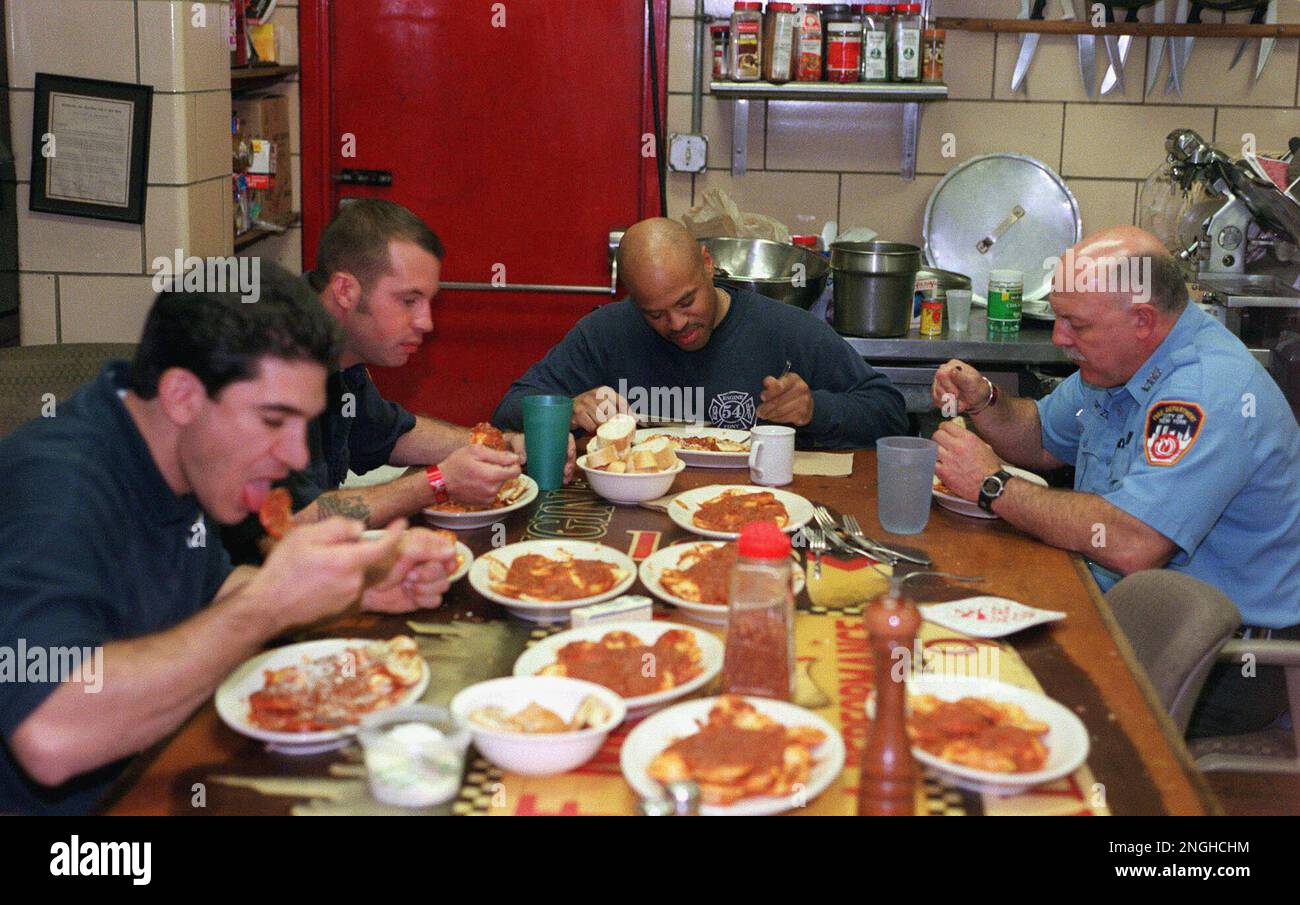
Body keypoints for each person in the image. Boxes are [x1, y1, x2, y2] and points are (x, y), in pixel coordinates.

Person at [0, 265, 458, 815]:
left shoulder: (179, 454)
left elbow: (215, 593)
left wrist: (354, 586)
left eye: (303, 424)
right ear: (182, 396)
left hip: (170, 768)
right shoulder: (59, 487)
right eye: (272, 420)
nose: (294, 456)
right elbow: (50, 734)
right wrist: (266, 607)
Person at [929, 226, 1300, 736]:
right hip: (1116, 607)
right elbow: (1038, 438)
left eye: (1074, 324)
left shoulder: (1208, 389)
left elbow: (1132, 543)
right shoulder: (1120, 362)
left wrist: (993, 486)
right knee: (945, 636)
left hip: (1221, 660)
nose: (1059, 338)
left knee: (985, 700)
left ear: (1143, 320)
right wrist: (986, 401)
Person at [265, 200, 573, 541]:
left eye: (429, 301)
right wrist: (439, 483)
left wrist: (508, 445)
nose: (426, 323)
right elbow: (294, 524)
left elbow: (391, 435)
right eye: (408, 301)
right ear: (345, 290)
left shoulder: (337, 342)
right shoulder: (272, 360)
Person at [491, 218, 907, 447]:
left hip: (757, 522)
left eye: (687, 302)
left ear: (708, 265)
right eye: (654, 313)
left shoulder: (784, 330)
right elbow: (507, 410)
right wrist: (567, 408)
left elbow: (891, 415)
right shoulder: (605, 334)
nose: (676, 324)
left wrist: (815, 409)